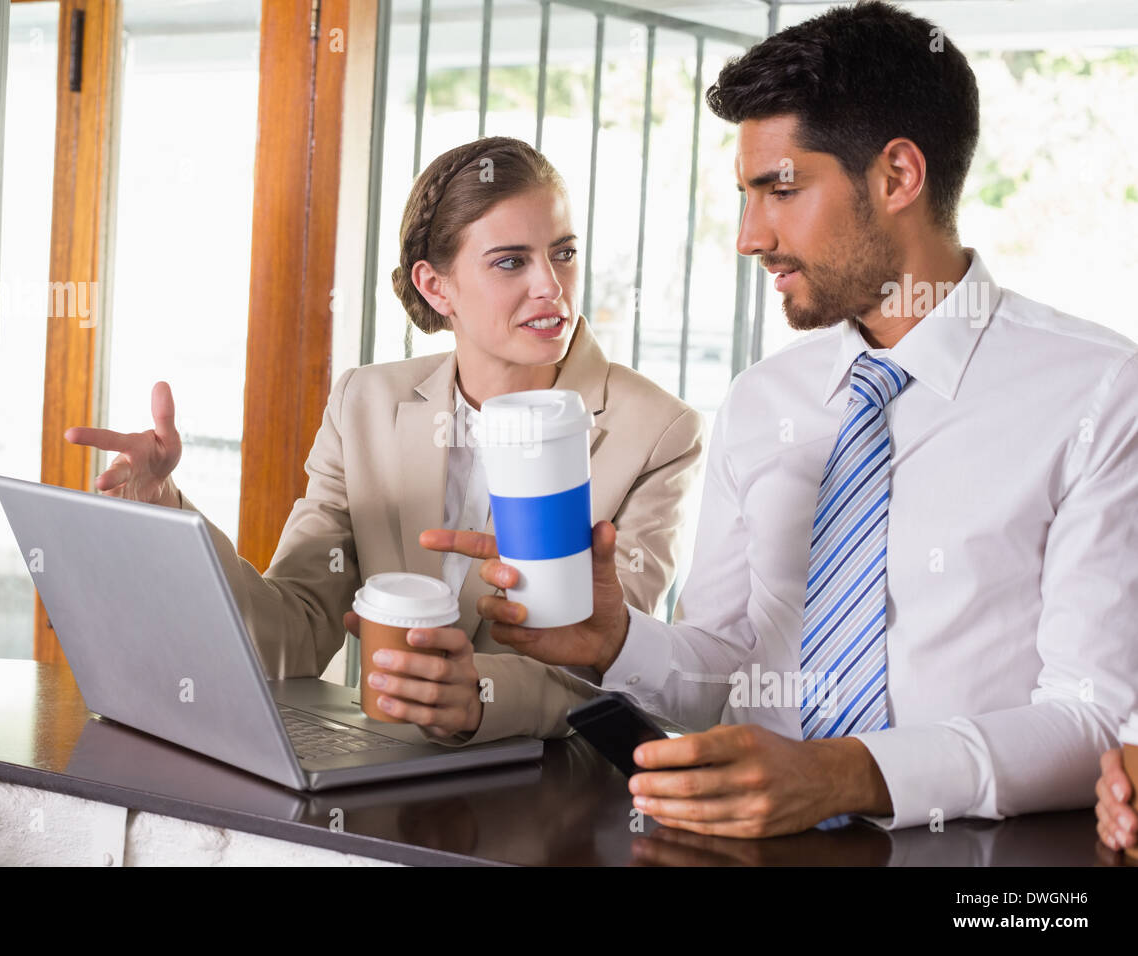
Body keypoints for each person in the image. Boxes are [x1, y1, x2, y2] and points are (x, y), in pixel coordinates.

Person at [438, 0, 1138, 835]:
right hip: (754, 853)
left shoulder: (1098, 393)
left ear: (899, 177)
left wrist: (845, 774)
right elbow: (725, 670)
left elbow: (1093, 719)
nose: (748, 236)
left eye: (781, 189)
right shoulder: (765, 399)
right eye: (745, 195)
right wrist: (618, 642)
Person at [65, 136, 704, 745]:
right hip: (379, 770)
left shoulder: (657, 431)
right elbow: (296, 634)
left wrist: (475, 693)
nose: (551, 286)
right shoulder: (364, 404)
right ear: (435, 285)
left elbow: (611, 664)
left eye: (563, 253)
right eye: (511, 261)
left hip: (557, 792)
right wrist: (170, 512)